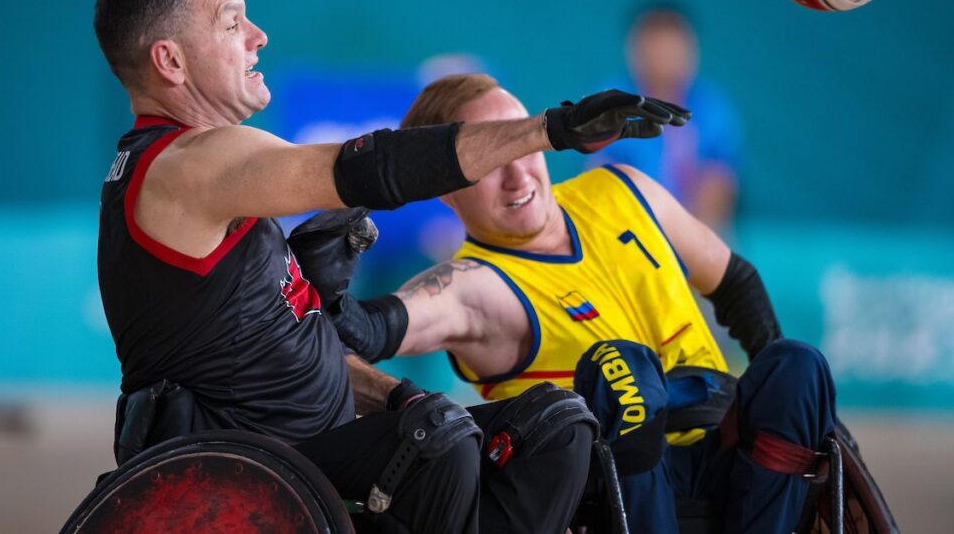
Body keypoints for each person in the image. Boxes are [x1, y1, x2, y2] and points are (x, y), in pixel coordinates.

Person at [91, 0, 688, 533]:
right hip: (243, 485)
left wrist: (397, 393)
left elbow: (291, 354)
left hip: (309, 456)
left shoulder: (205, 171)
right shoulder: (188, 164)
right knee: (440, 446)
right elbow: (366, 168)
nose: (258, 35)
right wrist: (549, 130)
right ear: (170, 61)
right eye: (231, 22)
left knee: (556, 425)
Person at [330, 73, 837, 534]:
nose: (516, 175)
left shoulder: (623, 190)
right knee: (622, 366)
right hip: (618, 498)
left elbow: (735, 281)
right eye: (487, 162)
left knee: (796, 365)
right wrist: (322, 283)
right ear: (444, 190)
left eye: (519, 142)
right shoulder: (469, 285)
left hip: (728, 457)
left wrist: (776, 401)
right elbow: (360, 335)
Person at [589, 3, 743, 235]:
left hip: (699, 237)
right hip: (628, 236)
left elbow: (718, 185)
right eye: (654, 48)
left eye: (672, 48)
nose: (663, 58)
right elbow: (599, 182)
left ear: (691, 51)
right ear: (635, 51)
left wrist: (690, 244)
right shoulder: (609, 103)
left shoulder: (712, 106)